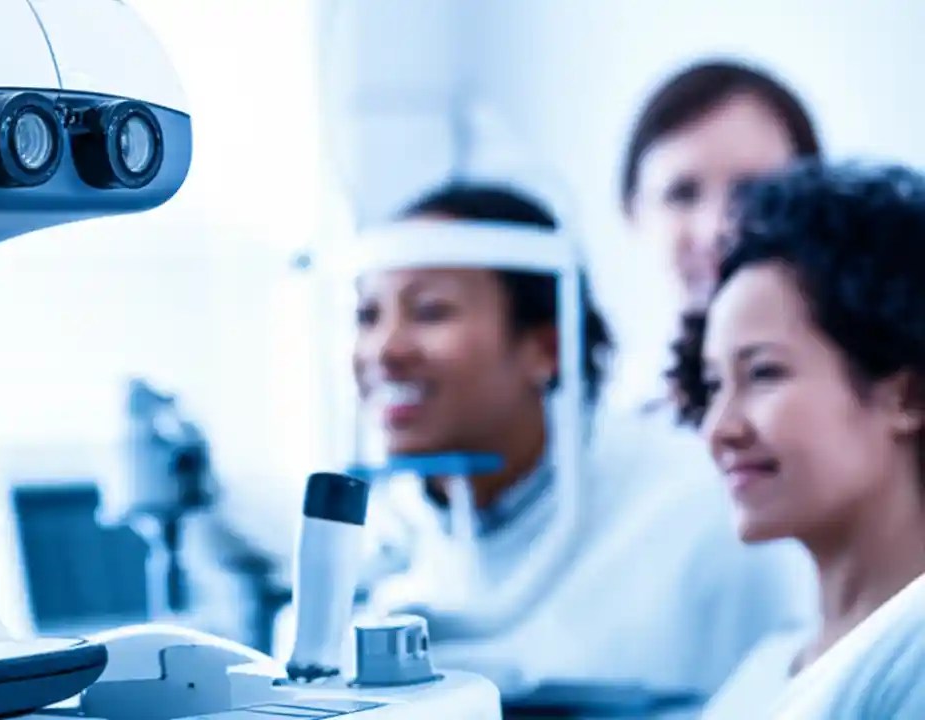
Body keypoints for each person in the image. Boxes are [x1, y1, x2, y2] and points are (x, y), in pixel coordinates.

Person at [347, 181, 814, 700]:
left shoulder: (704, 516)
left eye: (431, 311)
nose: (385, 349)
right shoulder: (379, 552)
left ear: (546, 347)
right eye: (367, 315)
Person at [677, 161, 925, 717]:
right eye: (714, 383)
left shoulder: (909, 663)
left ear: (907, 397)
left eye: (763, 373)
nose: (720, 428)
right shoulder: (768, 669)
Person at [617, 58, 822, 412]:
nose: (716, 230)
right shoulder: (591, 428)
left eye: (754, 192)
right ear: (633, 214)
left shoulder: (879, 411)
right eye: (682, 194)